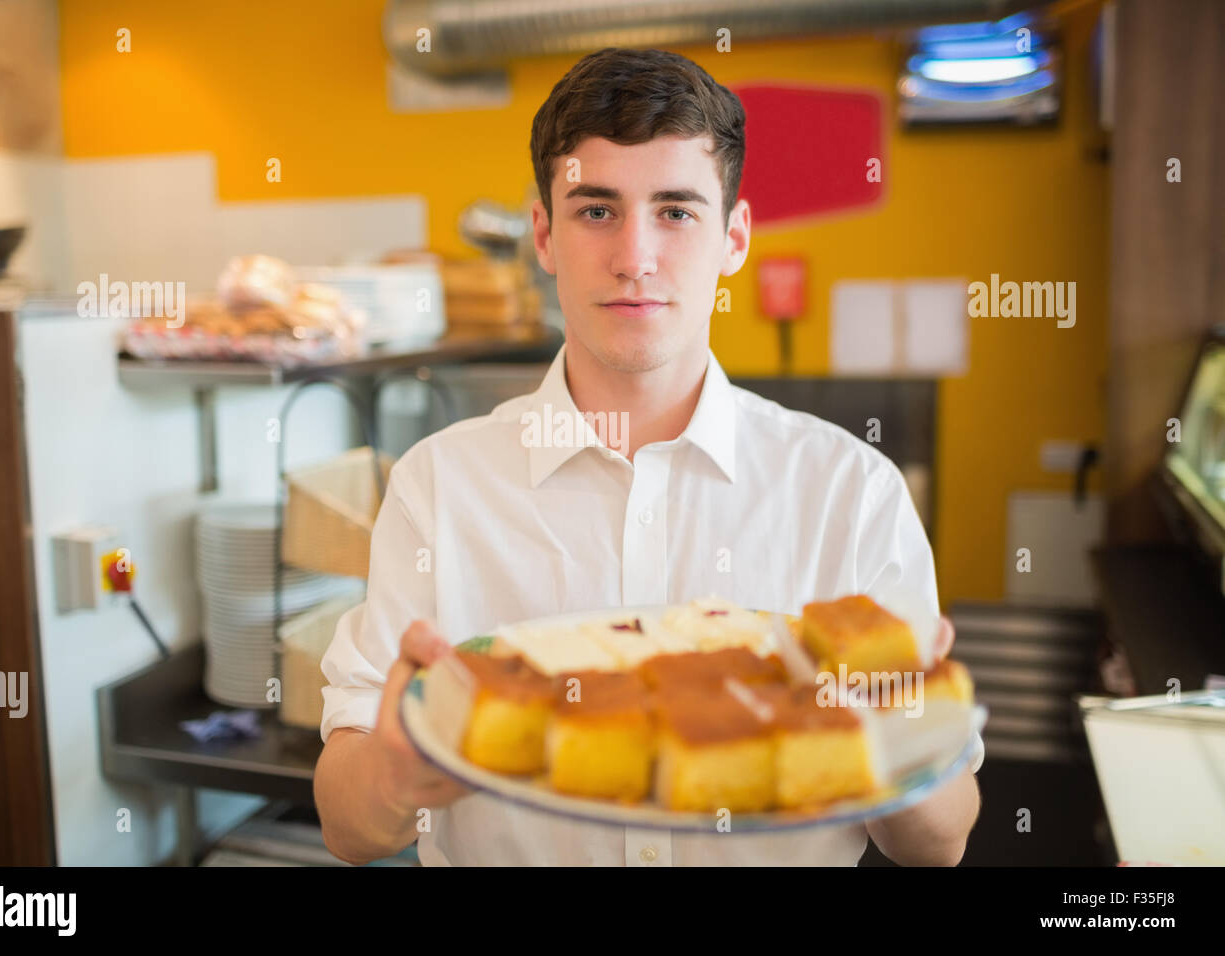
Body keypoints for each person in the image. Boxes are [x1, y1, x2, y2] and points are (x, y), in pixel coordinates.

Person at [314, 47, 982, 866]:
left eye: (676, 211)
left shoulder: (851, 491)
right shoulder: (437, 487)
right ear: (543, 235)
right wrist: (395, 773)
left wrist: (903, 725)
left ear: (734, 238)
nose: (636, 256)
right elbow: (349, 831)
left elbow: (940, 845)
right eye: (597, 210)